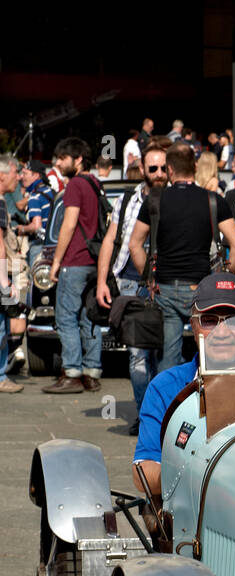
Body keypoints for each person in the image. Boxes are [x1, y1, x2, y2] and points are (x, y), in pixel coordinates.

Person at [133, 273, 235, 502]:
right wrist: (195, 473)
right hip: (196, 511)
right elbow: (142, 470)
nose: (222, 332)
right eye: (209, 320)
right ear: (193, 326)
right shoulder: (165, 387)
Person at [127, 143, 235, 372]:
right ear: (194, 166)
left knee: (168, 358)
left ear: (169, 169)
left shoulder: (154, 200)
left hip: (166, 288)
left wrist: (149, 279)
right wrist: (224, 277)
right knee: (210, 351)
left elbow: (135, 245)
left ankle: (169, 403)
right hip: (202, 290)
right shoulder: (213, 200)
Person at [96, 141, 169, 433]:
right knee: (138, 355)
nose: (160, 173)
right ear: (142, 170)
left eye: (164, 167)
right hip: (129, 283)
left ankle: (165, 416)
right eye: (153, 168)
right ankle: (147, 417)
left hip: (167, 285)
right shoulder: (127, 200)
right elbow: (110, 241)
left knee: (165, 354)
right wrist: (102, 281)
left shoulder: (176, 198)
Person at [42, 136, 106, 394]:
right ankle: (92, 372)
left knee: (66, 318)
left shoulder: (75, 185)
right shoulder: (95, 183)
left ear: (78, 159)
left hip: (76, 259)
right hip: (94, 260)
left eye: (62, 158)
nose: (58, 163)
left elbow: (69, 224)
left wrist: (56, 262)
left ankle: (71, 372)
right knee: (88, 316)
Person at [0, 157, 24, 393]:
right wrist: (4, 280)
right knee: (1, 326)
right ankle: (0, 376)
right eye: (15, 173)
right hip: (3, 272)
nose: (18, 177)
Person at [17, 160, 54, 267]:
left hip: (39, 247)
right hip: (52, 245)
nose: (21, 177)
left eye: (25, 173)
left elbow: (36, 226)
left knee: (35, 280)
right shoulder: (49, 191)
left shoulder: (35, 197)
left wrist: (22, 229)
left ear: (36, 175)